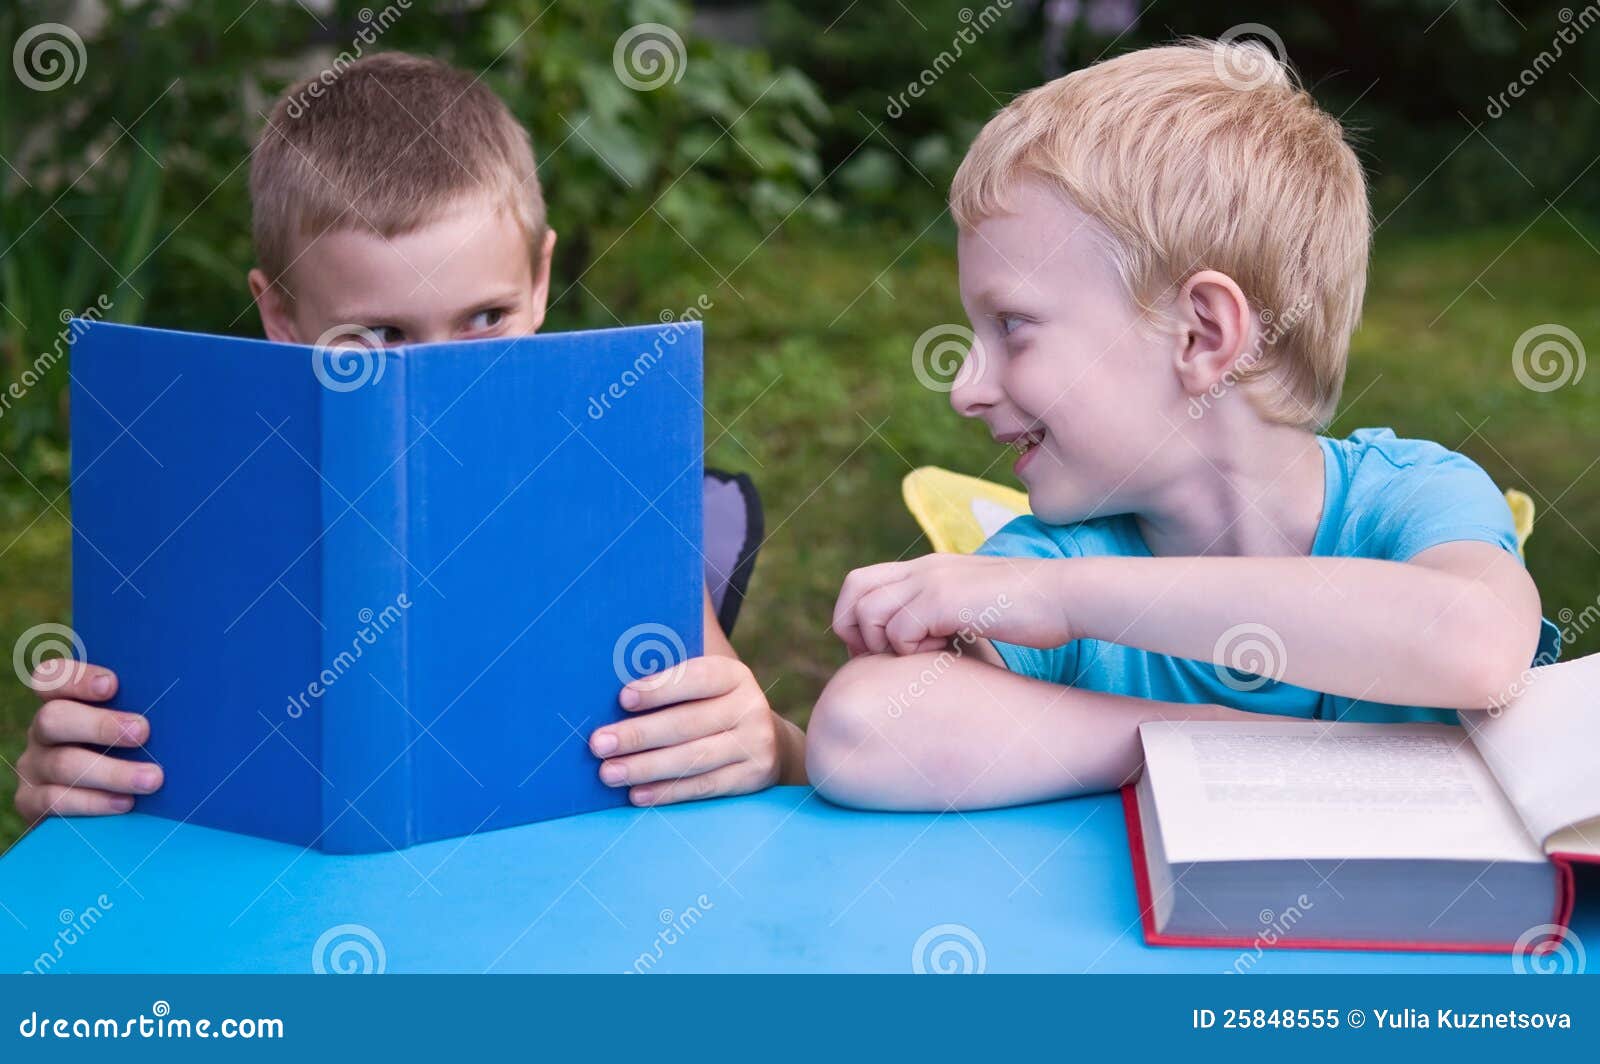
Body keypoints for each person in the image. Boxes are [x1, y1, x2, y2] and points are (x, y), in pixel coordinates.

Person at [15, 53, 806, 826]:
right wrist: (82, 776)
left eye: (486, 317)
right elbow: (124, 767)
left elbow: (754, 754)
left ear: (539, 280)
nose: (440, 373)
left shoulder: (609, 484)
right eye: (385, 334)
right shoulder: (200, 502)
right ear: (282, 317)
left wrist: (766, 745)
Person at [809, 39, 1544, 810]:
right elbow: (864, 733)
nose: (966, 389)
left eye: (1013, 325)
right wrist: (1207, 737)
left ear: (1202, 336)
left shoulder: (1414, 500)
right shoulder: (1057, 551)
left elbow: (1475, 644)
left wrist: (1064, 601)